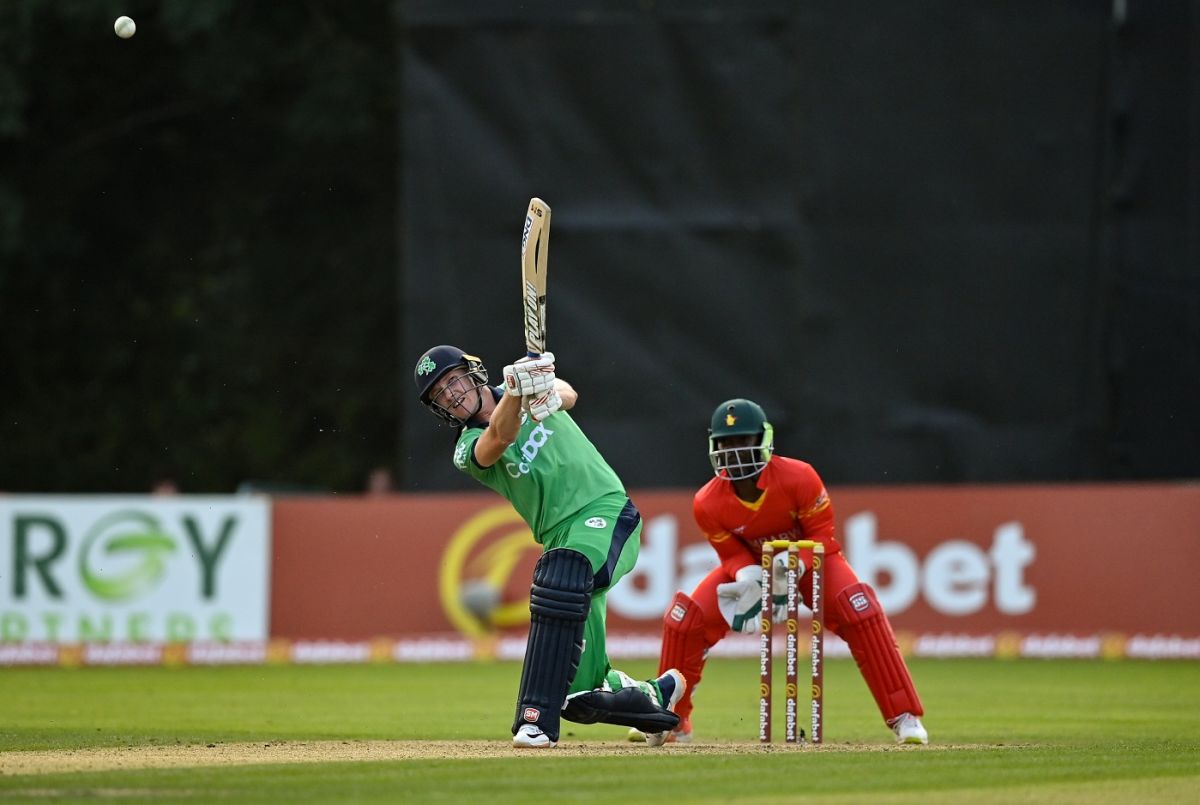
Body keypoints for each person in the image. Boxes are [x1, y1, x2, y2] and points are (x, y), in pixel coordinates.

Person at [413, 344, 685, 749]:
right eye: (439, 394)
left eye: (452, 380)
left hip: (607, 512)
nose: (450, 395)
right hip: (561, 541)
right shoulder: (465, 449)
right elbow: (500, 437)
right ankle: (654, 697)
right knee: (578, 699)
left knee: (561, 573)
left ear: (472, 372)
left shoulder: (522, 388)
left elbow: (569, 394)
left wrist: (542, 387)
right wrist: (518, 390)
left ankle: (534, 721)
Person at [631, 398, 928, 746]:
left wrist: (797, 562)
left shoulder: (799, 477)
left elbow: (822, 536)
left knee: (860, 608)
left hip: (811, 563)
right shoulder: (707, 502)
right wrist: (748, 576)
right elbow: (729, 553)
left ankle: (904, 717)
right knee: (685, 618)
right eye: (726, 443)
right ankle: (672, 721)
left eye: (742, 440)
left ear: (764, 440)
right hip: (756, 567)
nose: (734, 451)